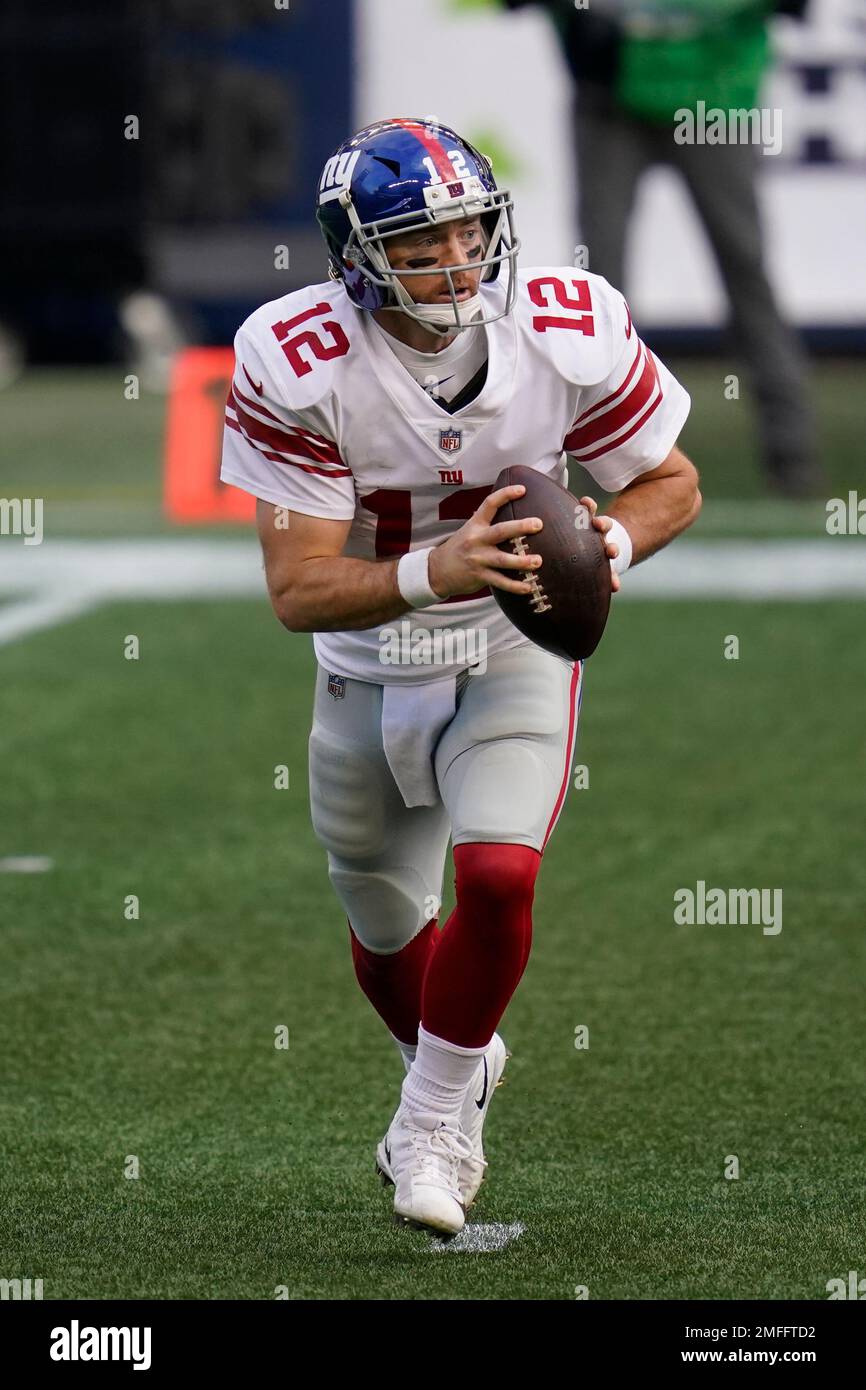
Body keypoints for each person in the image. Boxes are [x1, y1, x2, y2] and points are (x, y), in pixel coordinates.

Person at [220, 117, 701, 1236]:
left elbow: (667, 482)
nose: (457, 256)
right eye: (421, 239)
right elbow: (297, 589)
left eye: (471, 226)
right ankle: (455, 1061)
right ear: (354, 255)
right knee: (388, 934)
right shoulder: (292, 356)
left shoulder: (562, 327)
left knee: (496, 878)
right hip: (367, 661)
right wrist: (436, 566)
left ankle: (433, 1123)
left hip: (509, 641)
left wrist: (604, 546)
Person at [501, 0, 820, 497]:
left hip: (712, 94)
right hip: (623, 92)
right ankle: (588, 459)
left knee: (742, 268)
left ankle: (792, 453)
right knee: (597, 288)